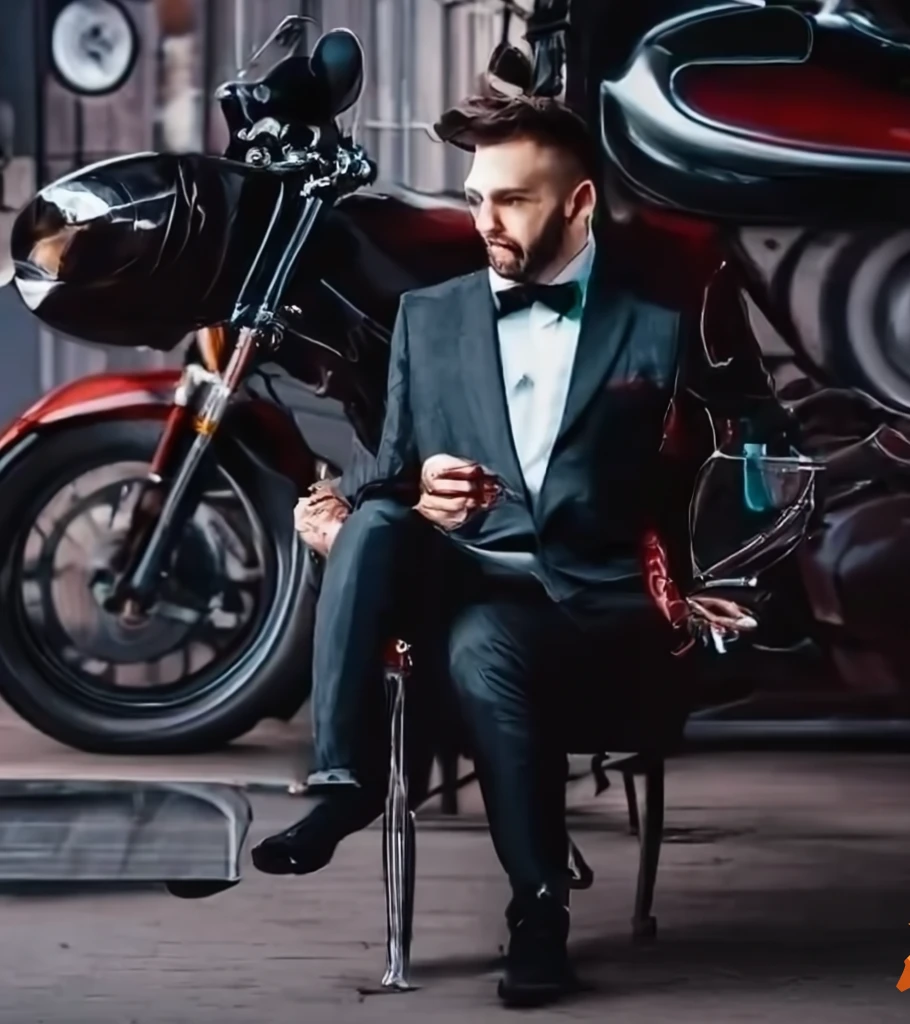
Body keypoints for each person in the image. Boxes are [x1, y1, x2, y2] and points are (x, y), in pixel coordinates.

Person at [251, 93, 762, 1007]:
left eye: (512, 201)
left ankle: (537, 915)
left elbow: (752, 459)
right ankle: (348, 776)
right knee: (378, 524)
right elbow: (380, 477)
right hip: (456, 569)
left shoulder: (659, 325)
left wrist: (708, 576)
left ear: (578, 205)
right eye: (477, 196)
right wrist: (417, 492)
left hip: (590, 600)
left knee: (485, 647)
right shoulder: (429, 317)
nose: (483, 220)